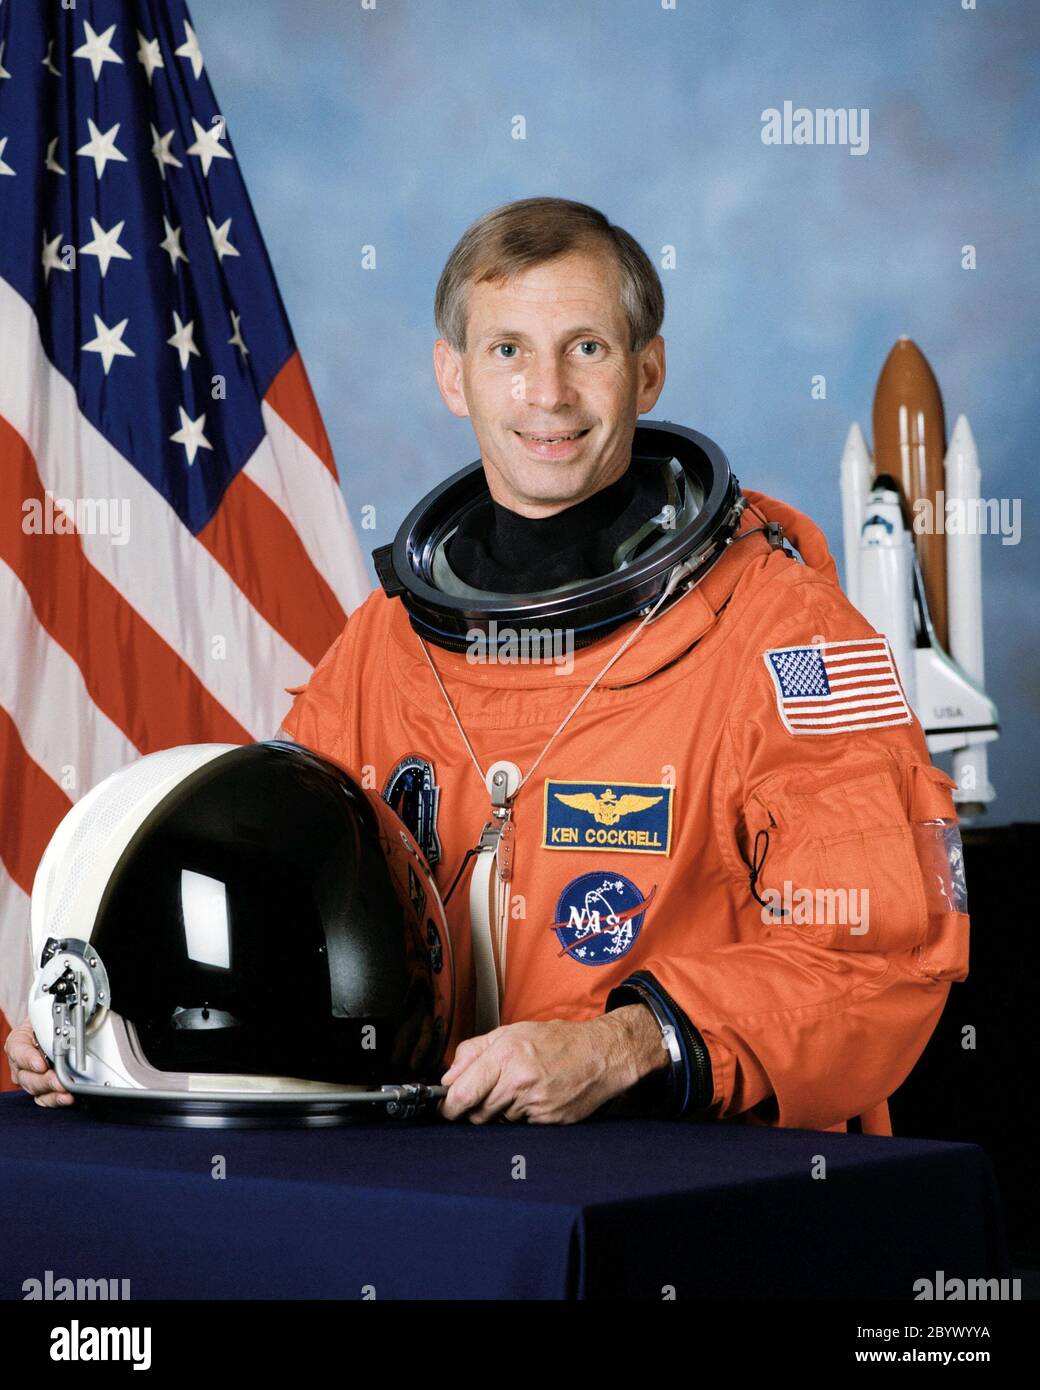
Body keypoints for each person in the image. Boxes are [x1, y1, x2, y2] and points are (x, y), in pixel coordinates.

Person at [7, 196, 969, 1131]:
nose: (547, 394)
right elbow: (279, 909)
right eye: (508, 350)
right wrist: (116, 1027)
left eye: (586, 348)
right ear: (453, 375)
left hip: (695, 1187)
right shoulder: (387, 644)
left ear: (648, 370)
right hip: (439, 1189)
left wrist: (632, 1043)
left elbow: (879, 961)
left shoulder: (788, 636)